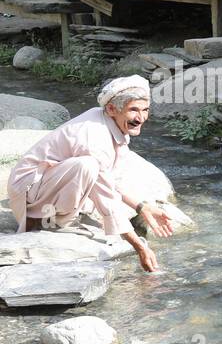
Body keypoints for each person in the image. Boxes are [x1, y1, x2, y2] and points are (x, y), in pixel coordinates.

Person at [6, 75, 174, 272]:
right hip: (28, 195)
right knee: (87, 166)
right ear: (112, 109)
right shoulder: (93, 137)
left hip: (43, 187)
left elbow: (113, 180)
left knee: (91, 170)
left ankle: (58, 217)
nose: (141, 118)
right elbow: (107, 197)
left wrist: (142, 207)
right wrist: (139, 247)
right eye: (133, 110)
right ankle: (47, 221)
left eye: (145, 110)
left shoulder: (107, 119)